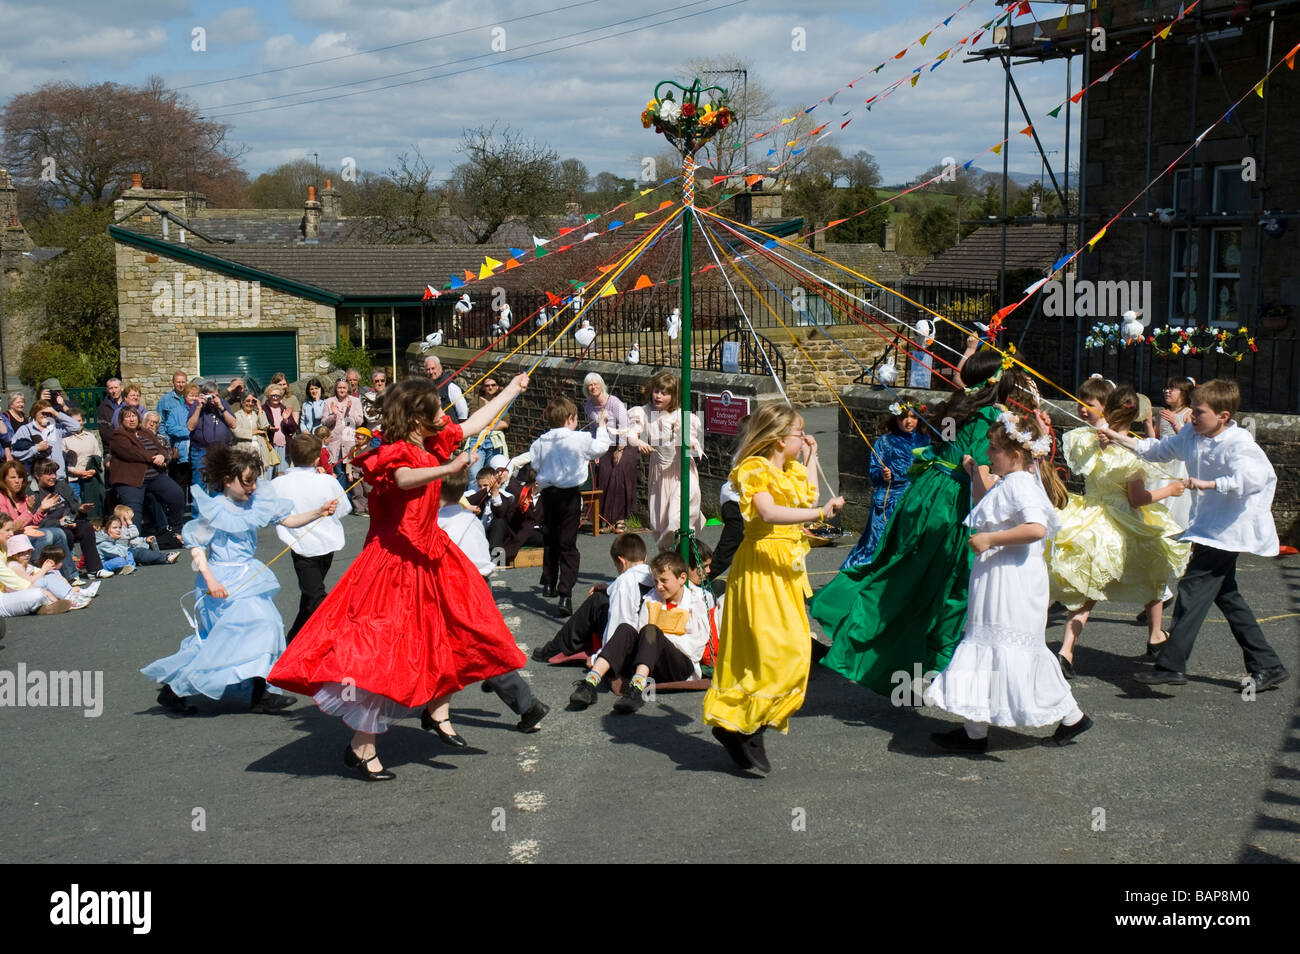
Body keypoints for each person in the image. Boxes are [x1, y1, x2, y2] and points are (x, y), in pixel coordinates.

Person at [269, 374, 531, 781]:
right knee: (383, 655)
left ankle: (437, 709)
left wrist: (514, 389)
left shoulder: (428, 443)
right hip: (395, 561)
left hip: (430, 554)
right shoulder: (396, 452)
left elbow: (475, 422)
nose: (442, 417)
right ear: (416, 417)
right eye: (434, 411)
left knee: (458, 629)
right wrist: (448, 468)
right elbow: (404, 478)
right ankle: (362, 746)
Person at [810, 350, 1040, 698]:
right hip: (950, 503)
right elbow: (979, 473)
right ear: (1000, 382)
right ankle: (918, 656)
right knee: (949, 582)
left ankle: (882, 639)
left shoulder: (957, 406)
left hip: (925, 493)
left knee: (903, 569)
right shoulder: (991, 418)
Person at [1098, 379, 1289, 693]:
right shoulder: (1191, 434)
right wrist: (1118, 438)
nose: (1193, 417)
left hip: (1229, 530)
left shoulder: (1239, 442)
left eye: (1199, 412)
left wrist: (1210, 485)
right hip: (1210, 527)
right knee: (1228, 597)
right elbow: (1156, 450)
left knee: (1192, 587)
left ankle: (1171, 665)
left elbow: (1256, 477)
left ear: (1223, 416)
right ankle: (1267, 665)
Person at [925, 410, 1091, 751]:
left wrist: (990, 541)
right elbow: (986, 507)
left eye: (994, 449)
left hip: (1012, 581)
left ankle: (1071, 716)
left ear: (1015, 454)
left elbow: (1036, 529)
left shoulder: (1021, 486)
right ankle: (975, 732)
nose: (988, 454)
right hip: (998, 577)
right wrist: (974, 472)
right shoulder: (1011, 483)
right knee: (988, 645)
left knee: (1009, 647)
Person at [142, 445, 338, 716]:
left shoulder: (254, 504)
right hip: (222, 580)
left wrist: (319, 512)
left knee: (265, 628)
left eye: (256, 480)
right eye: (248, 481)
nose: (254, 487)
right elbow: (196, 546)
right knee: (231, 639)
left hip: (249, 576)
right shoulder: (216, 509)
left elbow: (288, 520)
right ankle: (174, 690)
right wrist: (210, 580)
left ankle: (260, 695)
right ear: (227, 480)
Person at [703, 403, 843, 774]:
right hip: (761, 566)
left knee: (796, 649)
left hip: (784, 569)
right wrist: (820, 514)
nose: (804, 438)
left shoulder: (791, 467)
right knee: (767, 650)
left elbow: (807, 496)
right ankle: (743, 726)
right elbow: (767, 512)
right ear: (781, 439)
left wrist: (812, 457)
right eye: (800, 434)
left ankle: (744, 726)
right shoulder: (752, 469)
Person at [1049, 385, 1190, 675]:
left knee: (1088, 587)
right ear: (1136, 416)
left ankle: (1066, 650)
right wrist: (1171, 489)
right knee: (1154, 570)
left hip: (1089, 516)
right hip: (1122, 521)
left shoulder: (1084, 440)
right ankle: (1154, 635)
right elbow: (1137, 498)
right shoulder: (1131, 452)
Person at [436, 468, 549, 732]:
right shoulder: (469, 519)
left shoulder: (439, 523)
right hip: (480, 583)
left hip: (461, 589)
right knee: (476, 645)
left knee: (477, 648)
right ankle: (437, 706)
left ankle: (526, 703)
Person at [568, 550, 711, 714]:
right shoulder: (652, 598)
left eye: (664, 581)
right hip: (649, 660)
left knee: (651, 631)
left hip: (678, 664)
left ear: (682, 578)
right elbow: (639, 633)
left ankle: (636, 689)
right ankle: (590, 683)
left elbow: (696, 646)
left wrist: (661, 639)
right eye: (656, 581)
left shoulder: (695, 603)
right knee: (626, 629)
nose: (659, 586)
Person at [530, 396, 611, 618]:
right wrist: (602, 426)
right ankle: (565, 593)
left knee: (550, 538)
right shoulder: (580, 439)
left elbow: (535, 465)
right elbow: (601, 447)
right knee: (567, 544)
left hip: (548, 495)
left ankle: (549, 581)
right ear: (570, 418)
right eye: (575, 418)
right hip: (569, 496)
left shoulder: (540, 442)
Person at [270, 431, 352, 641]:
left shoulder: (278, 484)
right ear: (317, 458)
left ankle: (295, 639)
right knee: (315, 596)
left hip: (313, 545)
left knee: (311, 596)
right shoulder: (326, 481)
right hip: (309, 545)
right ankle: (319, 637)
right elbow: (344, 509)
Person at [840, 398, 931, 569]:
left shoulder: (924, 440)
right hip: (889, 500)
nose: (909, 421)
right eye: (904, 417)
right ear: (895, 419)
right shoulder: (885, 441)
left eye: (913, 417)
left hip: (914, 498)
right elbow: (874, 470)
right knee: (877, 543)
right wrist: (883, 474)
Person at [533, 532, 652, 661]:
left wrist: (602, 658)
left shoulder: (623, 583)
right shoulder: (653, 574)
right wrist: (608, 585)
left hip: (628, 645)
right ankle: (573, 645)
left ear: (621, 561)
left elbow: (619, 622)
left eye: (616, 566)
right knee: (602, 597)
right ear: (645, 557)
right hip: (647, 642)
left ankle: (555, 648)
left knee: (597, 601)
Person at [626, 371, 704, 548]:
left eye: (664, 393)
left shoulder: (681, 415)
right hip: (660, 472)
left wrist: (691, 443)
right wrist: (638, 442)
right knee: (661, 521)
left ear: (673, 395)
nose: (658, 396)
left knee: (679, 511)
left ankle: (675, 544)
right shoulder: (643, 413)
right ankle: (666, 553)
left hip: (682, 468)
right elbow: (631, 435)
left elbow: (691, 438)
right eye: (656, 391)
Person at [109, 406, 188, 548]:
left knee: (177, 495)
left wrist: (162, 456)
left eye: (134, 416)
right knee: (133, 511)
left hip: (154, 476)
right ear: (122, 420)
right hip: (131, 480)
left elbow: (161, 448)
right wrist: (153, 458)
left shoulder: (145, 432)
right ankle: (134, 542)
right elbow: (132, 453)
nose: (131, 419)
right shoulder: (118, 436)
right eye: (127, 417)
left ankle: (176, 531)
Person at [28, 457, 112, 580]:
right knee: (66, 534)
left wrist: (80, 508)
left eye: (54, 473)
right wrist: (59, 522)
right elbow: (36, 520)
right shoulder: (32, 492)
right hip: (50, 526)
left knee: (86, 528)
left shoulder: (60, 485)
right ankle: (68, 574)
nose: (53, 477)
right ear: (37, 475)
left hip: (69, 521)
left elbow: (73, 504)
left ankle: (94, 569)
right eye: (48, 473)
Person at [0, 459, 77, 583]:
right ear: (4, 480)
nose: (17, 481)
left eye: (20, 477)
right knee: (47, 536)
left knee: (59, 532)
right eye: (13, 477)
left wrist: (41, 509)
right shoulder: (2, 499)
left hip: (24, 533)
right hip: (9, 538)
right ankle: (40, 573)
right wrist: (29, 514)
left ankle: (71, 576)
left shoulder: (22, 497)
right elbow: (8, 527)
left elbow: (33, 522)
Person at [583, 372, 636, 533]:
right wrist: (595, 453)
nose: (593, 387)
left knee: (618, 475)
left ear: (602, 385)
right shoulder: (588, 406)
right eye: (590, 385)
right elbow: (593, 430)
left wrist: (620, 450)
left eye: (596, 383)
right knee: (603, 477)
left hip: (623, 444)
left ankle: (620, 519)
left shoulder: (614, 403)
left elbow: (625, 427)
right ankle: (606, 519)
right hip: (604, 447)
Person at [0, 516, 73, 615]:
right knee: (38, 594)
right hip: (3, 597)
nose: (11, 533)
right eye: (7, 530)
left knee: (47, 579)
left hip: (6, 592)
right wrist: (43, 591)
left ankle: (70, 597)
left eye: (12, 530)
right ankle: (45, 605)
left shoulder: (3, 546)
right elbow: (11, 579)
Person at [187, 383, 237, 516]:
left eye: (213, 395)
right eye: (208, 396)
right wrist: (198, 407)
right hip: (200, 450)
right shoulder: (197, 406)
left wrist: (221, 407)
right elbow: (190, 427)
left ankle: (218, 516)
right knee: (199, 486)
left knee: (219, 485)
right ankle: (198, 519)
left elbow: (233, 424)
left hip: (220, 451)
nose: (211, 399)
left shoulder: (223, 404)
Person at [322, 376, 366, 513]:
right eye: (339, 387)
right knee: (338, 472)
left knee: (350, 472)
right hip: (334, 443)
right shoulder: (329, 402)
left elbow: (359, 422)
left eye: (344, 388)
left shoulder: (355, 401)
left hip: (349, 442)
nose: (342, 390)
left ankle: (350, 503)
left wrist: (348, 412)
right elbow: (324, 422)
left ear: (348, 389)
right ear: (336, 388)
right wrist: (333, 415)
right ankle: (339, 503)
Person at [5, 537, 90, 608]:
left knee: (50, 575)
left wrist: (47, 570)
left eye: (29, 552)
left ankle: (72, 594)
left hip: (28, 590)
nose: (27, 555)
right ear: (14, 553)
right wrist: (43, 570)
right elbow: (28, 582)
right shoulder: (15, 566)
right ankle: (70, 598)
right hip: (19, 594)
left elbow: (37, 574)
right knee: (47, 579)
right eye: (23, 553)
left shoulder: (24, 564)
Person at [12, 399, 82, 479]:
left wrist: (56, 413)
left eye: (48, 414)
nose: (45, 416)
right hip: (36, 479)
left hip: (58, 477)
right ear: (35, 413)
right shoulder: (25, 429)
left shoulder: (56, 428)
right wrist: (36, 449)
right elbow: (15, 452)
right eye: (43, 413)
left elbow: (75, 426)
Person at [61, 407, 107, 517]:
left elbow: (98, 455)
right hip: (74, 480)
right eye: (73, 421)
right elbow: (64, 462)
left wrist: (93, 471)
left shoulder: (90, 437)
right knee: (76, 508)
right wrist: (79, 473)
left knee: (92, 508)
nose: (78, 424)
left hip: (91, 479)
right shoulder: (64, 439)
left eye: (79, 420)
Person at [464, 375, 508, 478]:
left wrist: (484, 422)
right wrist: (495, 420)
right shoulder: (476, 401)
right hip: (477, 439)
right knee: (474, 474)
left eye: (493, 385)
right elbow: (475, 420)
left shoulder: (501, 401)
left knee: (492, 475)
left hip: (494, 442)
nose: (490, 388)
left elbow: (505, 423)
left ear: (497, 387)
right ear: (483, 387)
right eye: (487, 385)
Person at [113, 504, 180, 565]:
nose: (129, 521)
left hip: (131, 550)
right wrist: (130, 523)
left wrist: (145, 540)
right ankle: (165, 557)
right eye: (126, 519)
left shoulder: (127, 529)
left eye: (130, 519)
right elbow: (135, 533)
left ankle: (156, 556)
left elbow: (134, 540)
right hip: (125, 553)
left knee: (146, 546)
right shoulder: (119, 530)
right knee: (140, 552)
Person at [423, 354, 468, 422]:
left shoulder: (450, 386)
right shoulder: (425, 385)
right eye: (428, 369)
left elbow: (463, 412)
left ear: (440, 368)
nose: (431, 372)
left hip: (449, 427)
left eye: (433, 368)